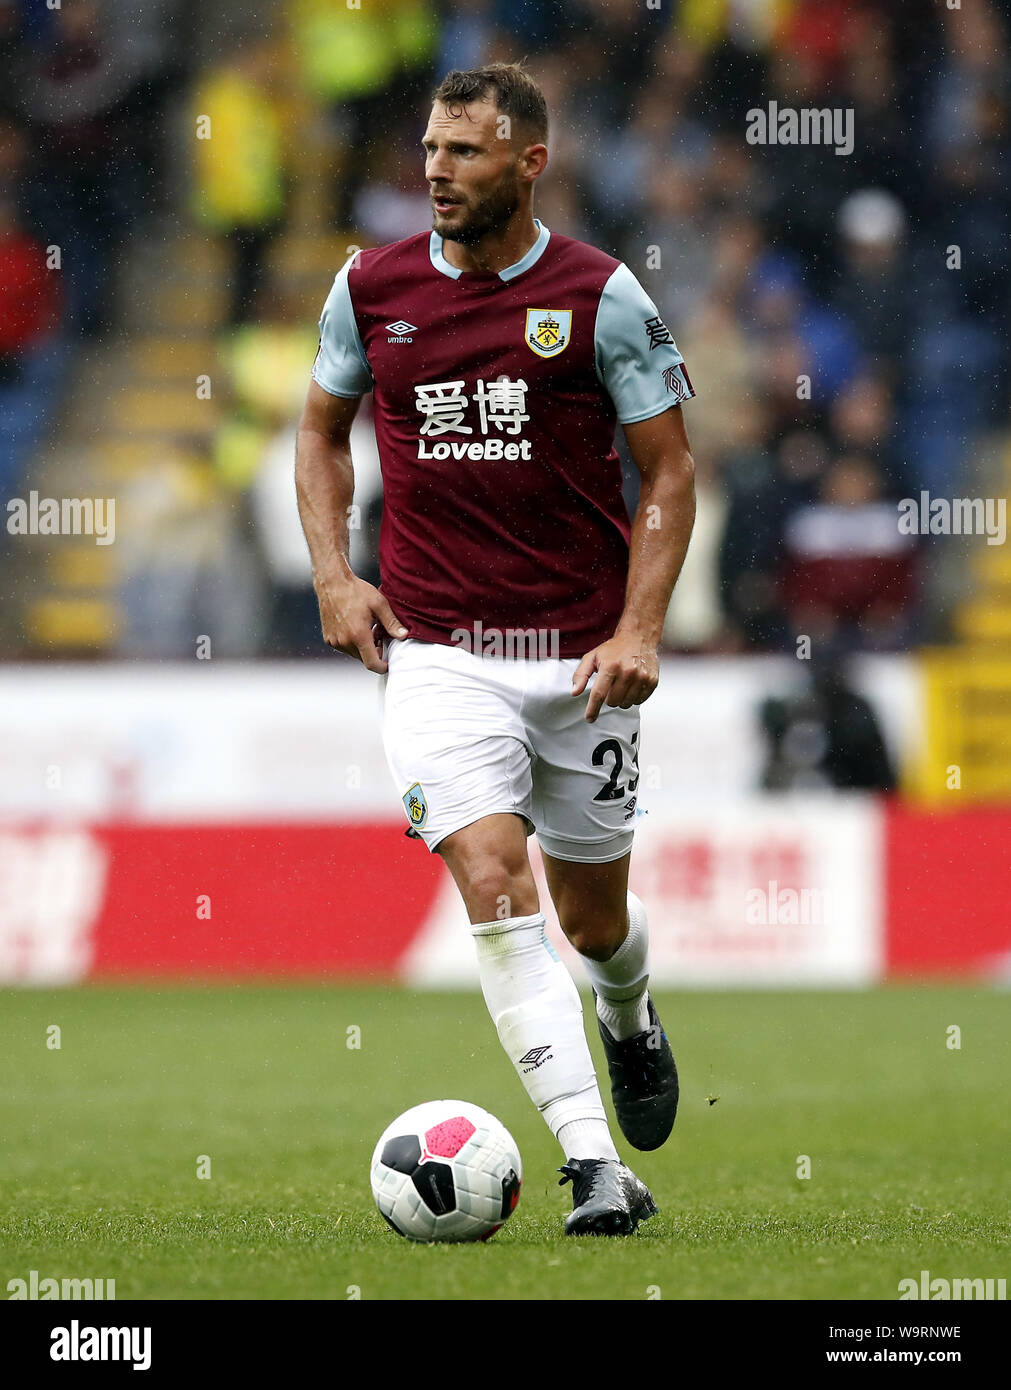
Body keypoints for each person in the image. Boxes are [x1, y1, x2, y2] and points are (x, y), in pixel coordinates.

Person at [296, 63, 697, 1236]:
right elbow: (320, 431)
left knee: (594, 925)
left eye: (465, 153)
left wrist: (639, 627)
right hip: (439, 653)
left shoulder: (599, 295)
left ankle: (628, 1016)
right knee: (489, 875)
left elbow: (670, 467)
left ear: (530, 164)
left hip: (580, 663)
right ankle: (592, 1163)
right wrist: (334, 572)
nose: (435, 171)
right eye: (429, 149)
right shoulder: (370, 288)